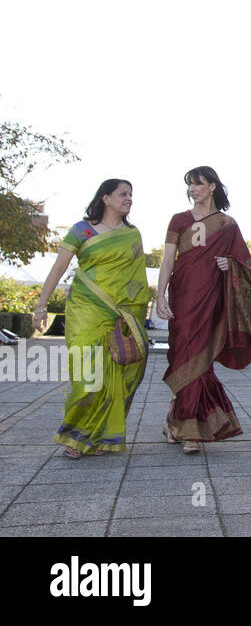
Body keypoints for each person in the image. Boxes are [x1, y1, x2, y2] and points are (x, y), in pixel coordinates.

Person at [33, 180, 150, 458]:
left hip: (123, 313)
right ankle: (77, 437)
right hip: (86, 310)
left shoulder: (132, 234)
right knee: (88, 373)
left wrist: (132, 308)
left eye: (131, 195)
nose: (129, 199)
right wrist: (41, 305)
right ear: (106, 198)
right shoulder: (82, 229)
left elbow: (136, 278)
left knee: (129, 367)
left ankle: (99, 436)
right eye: (123, 194)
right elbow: (59, 267)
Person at [155, 167, 251, 455]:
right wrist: (160, 295)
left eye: (198, 184)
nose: (192, 189)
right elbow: (167, 261)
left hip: (212, 299)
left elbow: (249, 267)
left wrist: (231, 264)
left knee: (200, 361)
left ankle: (191, 431)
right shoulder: (179, 220)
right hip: (183, 296)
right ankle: (174, 420)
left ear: (212, 186)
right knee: (181, 357)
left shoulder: (228, 225)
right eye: (189, 184)